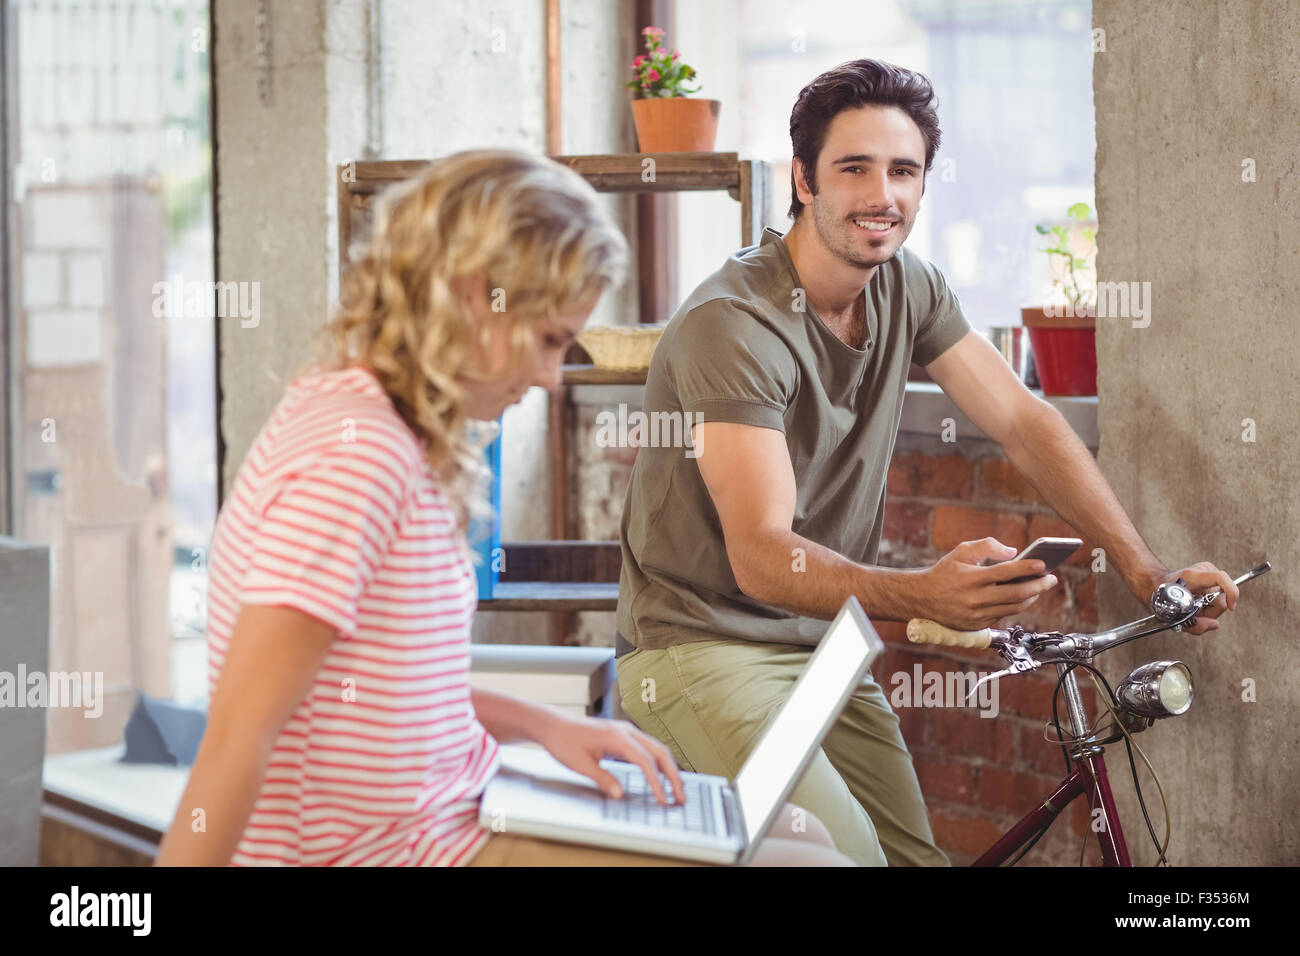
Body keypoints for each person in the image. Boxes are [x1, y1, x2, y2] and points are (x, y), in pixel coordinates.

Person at [614, 59, 1240, 867]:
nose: (883, 194)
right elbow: (763, 555)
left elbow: (1022, 419)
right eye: (853, 168)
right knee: (844, 862)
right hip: (700, 650)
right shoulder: (731, 325)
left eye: (903, 170)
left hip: (822, 647)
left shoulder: (910, 285)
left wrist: (1147, 569)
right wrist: (921, 594)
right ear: (802, 180)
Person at [154, 149, 851, 867]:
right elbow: (240, 734)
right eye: (547, 340)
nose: (552, 379)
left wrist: (547, 727)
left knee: (801, 837)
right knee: (808, 862)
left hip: (458, 808)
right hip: (404, 853)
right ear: (469, 293)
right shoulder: (354, 460)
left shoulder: (391, 428)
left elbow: (386, 683)